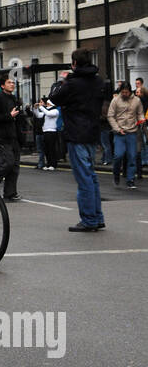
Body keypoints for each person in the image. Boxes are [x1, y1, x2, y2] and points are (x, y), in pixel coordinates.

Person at [49, 50, 106, 232]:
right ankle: (97, 217)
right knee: (92, 176)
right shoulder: (98, 81)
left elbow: (54, 97)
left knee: (84, 178)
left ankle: (88, 219)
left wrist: (62, 81)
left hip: (76, 133)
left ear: (74, 63)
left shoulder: (72, 83)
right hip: (92, 132)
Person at [0, 76, 22, 202]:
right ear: (2, 85)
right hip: (2, 137)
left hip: (14, 137)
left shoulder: (14, 99)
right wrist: (9, 116)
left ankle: (10, 193)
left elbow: (17, 119)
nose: (12, 84)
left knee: (15, 166)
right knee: (7, 163)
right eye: (9, 82)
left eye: (13, 82)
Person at [108, 82, 143, 190]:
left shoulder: (137, 100)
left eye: (126, 92)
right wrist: (118, 129)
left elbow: (140, 113)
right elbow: (110, 116)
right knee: (118, 156)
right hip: (119, 133)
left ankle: (130, 180)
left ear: (130, 91)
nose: (124, 94)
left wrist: (141, 120)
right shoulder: (115, 100)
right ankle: (116, 174)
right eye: (122, 92)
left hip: (132, 132)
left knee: (132, 157)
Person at [33, 97, 60, 171]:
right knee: (47, 149)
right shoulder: (46, 111)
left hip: (52, 131)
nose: (46, 105)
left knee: (51, 149)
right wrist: (35, 108)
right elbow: (38, 115)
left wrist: (41, 106)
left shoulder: (55, 111)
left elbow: (48, 113)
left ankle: (53, 164)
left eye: (48, 104)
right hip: (45, 132)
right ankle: (48, 164)